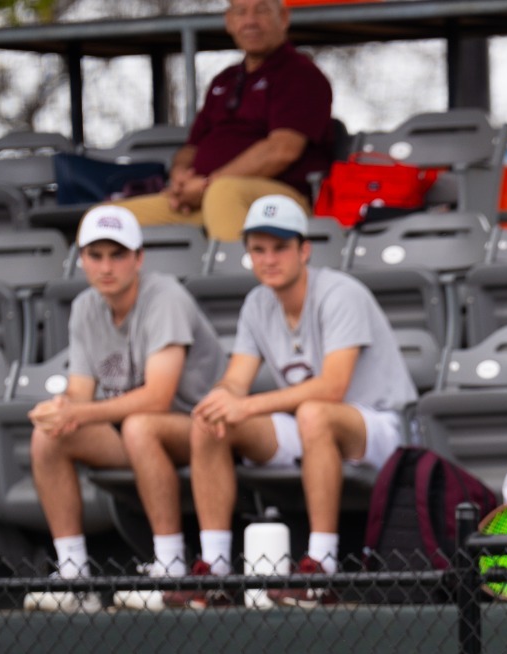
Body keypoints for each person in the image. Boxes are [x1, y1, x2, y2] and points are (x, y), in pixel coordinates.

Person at [144, 194, 414, 609]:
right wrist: (220, 400)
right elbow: (236, 379)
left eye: (281, 247)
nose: (269, 258)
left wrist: (247, 405)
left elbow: (333, 388)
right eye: (259, 248)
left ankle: (321, 569)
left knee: (313, 412)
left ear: (304, 250)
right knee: (212, 420)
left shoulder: (341, 292)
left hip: (378, 428)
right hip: (308, 426)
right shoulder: (257, 302)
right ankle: (214, 571)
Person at [21, 206, 226, 612]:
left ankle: (171, 569)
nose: (106, 266)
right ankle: (74, 579)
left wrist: (77, 412)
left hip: (204, 431)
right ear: (81, 260)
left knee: (139, 425)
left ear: (139, 258)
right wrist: (60, 409)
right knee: (48, 436)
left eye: (117, 255)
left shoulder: (165, 295)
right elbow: (81, 392)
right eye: (95, 255)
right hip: (135, 430)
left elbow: (158, 398)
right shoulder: (84, 307)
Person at [117, 0, 334, 242]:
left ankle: (244, 278)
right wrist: (181, 177)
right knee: (110, 218)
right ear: (229, 22)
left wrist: (208, 184)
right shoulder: (225, 80)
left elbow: (282, 150)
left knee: (223, 192)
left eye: (261, 10)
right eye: (241, 12)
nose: (250, 20)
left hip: (278, 200)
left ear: (283, 18)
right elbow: (192, 147)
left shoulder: (301, 74)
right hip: (203, 198)